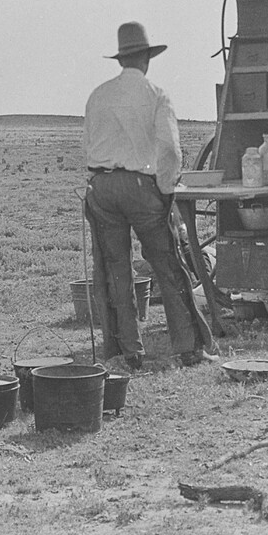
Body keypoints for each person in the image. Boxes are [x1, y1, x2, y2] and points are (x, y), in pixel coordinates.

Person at [82, 22, 214, 370]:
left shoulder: (98, 95)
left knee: (115, 270)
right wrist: (167, 189)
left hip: (102, 186)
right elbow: (169, 148)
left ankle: (127, 353)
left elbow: (88, 145)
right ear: (147, 59)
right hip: (141, 187)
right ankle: (187, 346)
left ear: (121, 59)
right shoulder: (155, 94)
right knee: (167, 264)